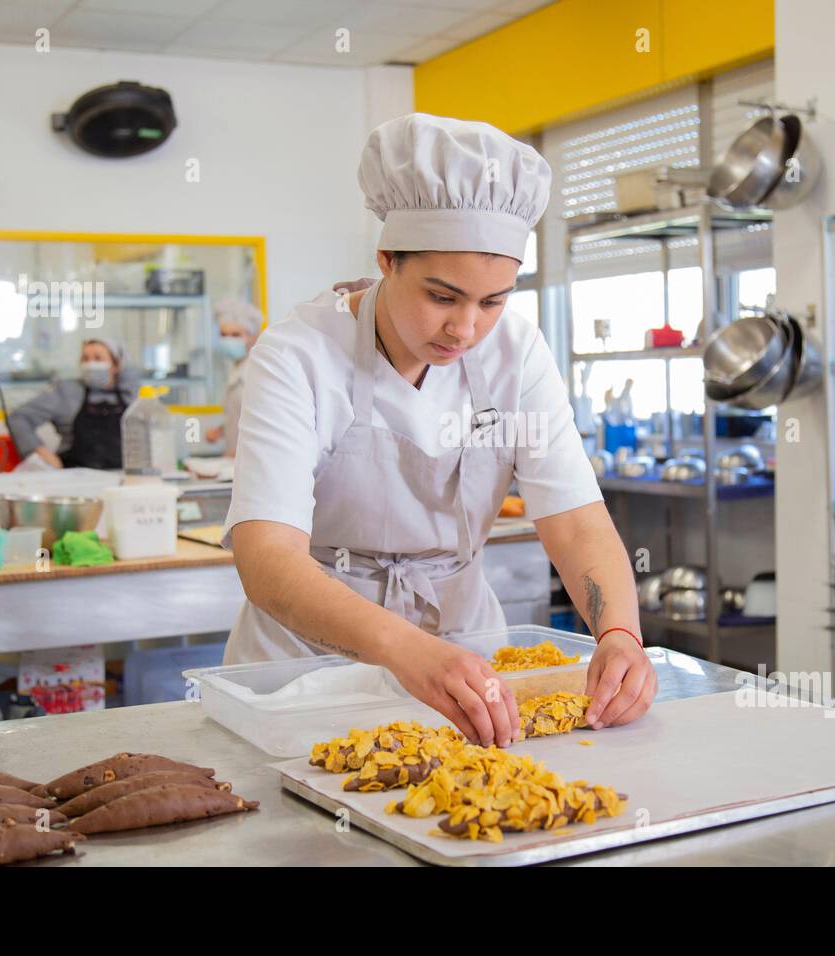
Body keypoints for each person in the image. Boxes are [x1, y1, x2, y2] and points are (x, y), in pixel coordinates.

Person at [223, 113, 656, 748]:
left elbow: (576, 520)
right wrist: (404, 649)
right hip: (303, 672)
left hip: (466, 660)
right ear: (386, 260)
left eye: (492, 301)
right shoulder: (301, 354)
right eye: (442, 296)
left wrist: (619, 633)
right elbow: (265, 559)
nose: (466, 329)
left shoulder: (516, 352)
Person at [7, 338, 139, 469]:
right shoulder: (66, 391)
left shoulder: (129, 393)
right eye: (85, 359)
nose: (90, 364)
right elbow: (18, 418)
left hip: (120, 476)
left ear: (116, 365)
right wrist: (41, 452)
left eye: (98, 358)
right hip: (74, 476)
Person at [205, 299, 264, 457]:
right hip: (235, 461)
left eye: (235, 334)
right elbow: (241, 416)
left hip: (251, 460)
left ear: (252, 336)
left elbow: (262, 422)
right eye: (223, 335)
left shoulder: (258, 372)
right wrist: (221, 430)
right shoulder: (235, 371)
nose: (228, 340)